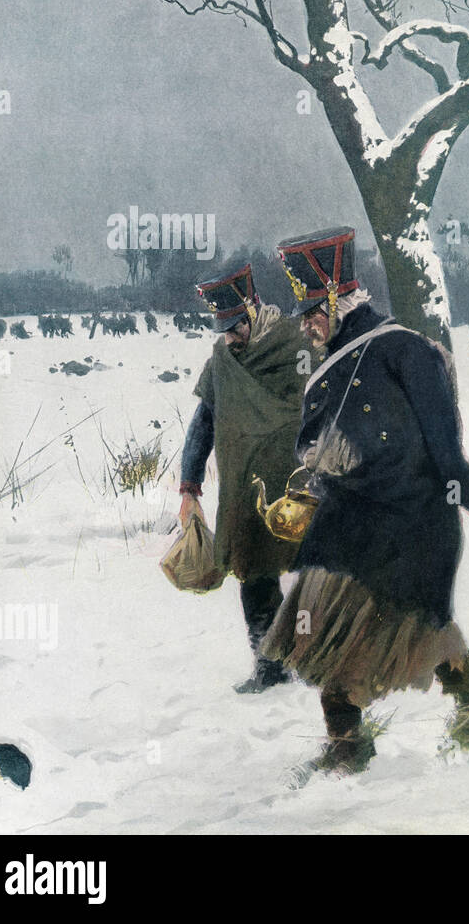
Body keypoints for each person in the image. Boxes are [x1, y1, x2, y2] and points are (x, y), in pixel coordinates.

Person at [261, 227, 469, 774]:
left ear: (335, 300)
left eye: (311, 312)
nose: (306, 325)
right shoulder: (328, 368)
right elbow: (315, 446)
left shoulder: (408, 351)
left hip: (413, 522)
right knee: (368, 628)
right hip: (351, 524)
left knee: (395, 630)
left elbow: (446, 449)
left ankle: (350, 745)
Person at [179, 264, 309, 693]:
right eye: (223, 329)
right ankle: (270, 667)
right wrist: (189, 486)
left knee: (319, 568)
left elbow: (326, 403)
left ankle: (326, 657)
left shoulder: (297, 343)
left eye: (235, 327)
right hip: (245, 487)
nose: (229, 336)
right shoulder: (222, 360)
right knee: (254, 574)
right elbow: (204, 423)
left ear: (254, 312)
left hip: (300, 481)